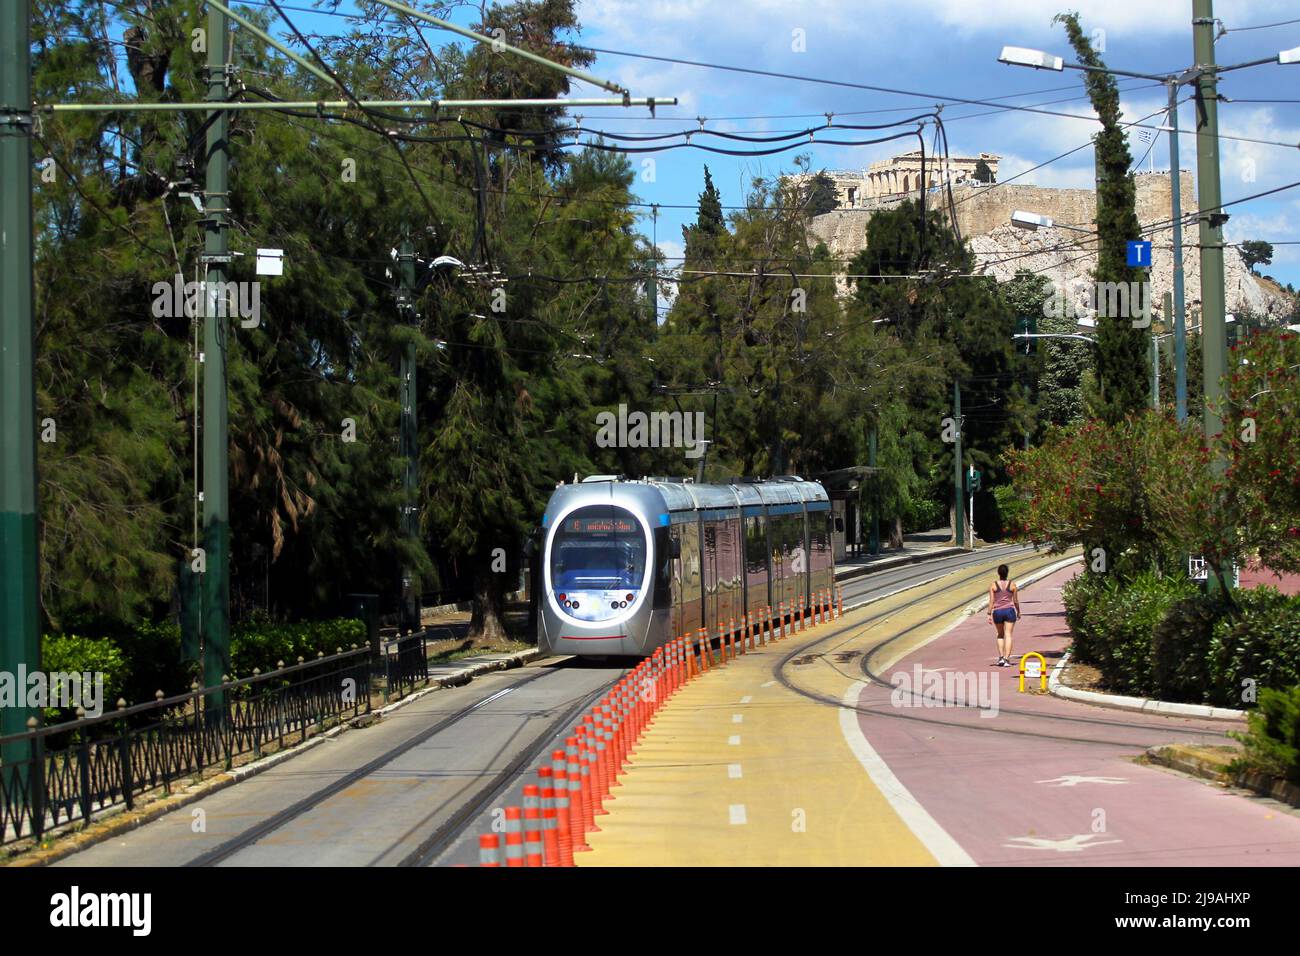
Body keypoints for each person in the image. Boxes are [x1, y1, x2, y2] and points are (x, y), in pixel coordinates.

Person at [987, 564, 1020, 667]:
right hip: (1009, 611)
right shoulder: (1012, 585)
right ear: (1007, 573)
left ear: (998, 573)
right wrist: (1018, 611)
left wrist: (989, 613)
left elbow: (992, 601)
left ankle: (1001, 657)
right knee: (1008, 635)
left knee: (1000, 634)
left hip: (997, 612)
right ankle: (1006, 659)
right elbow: (1015, 601)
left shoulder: (993, 585)